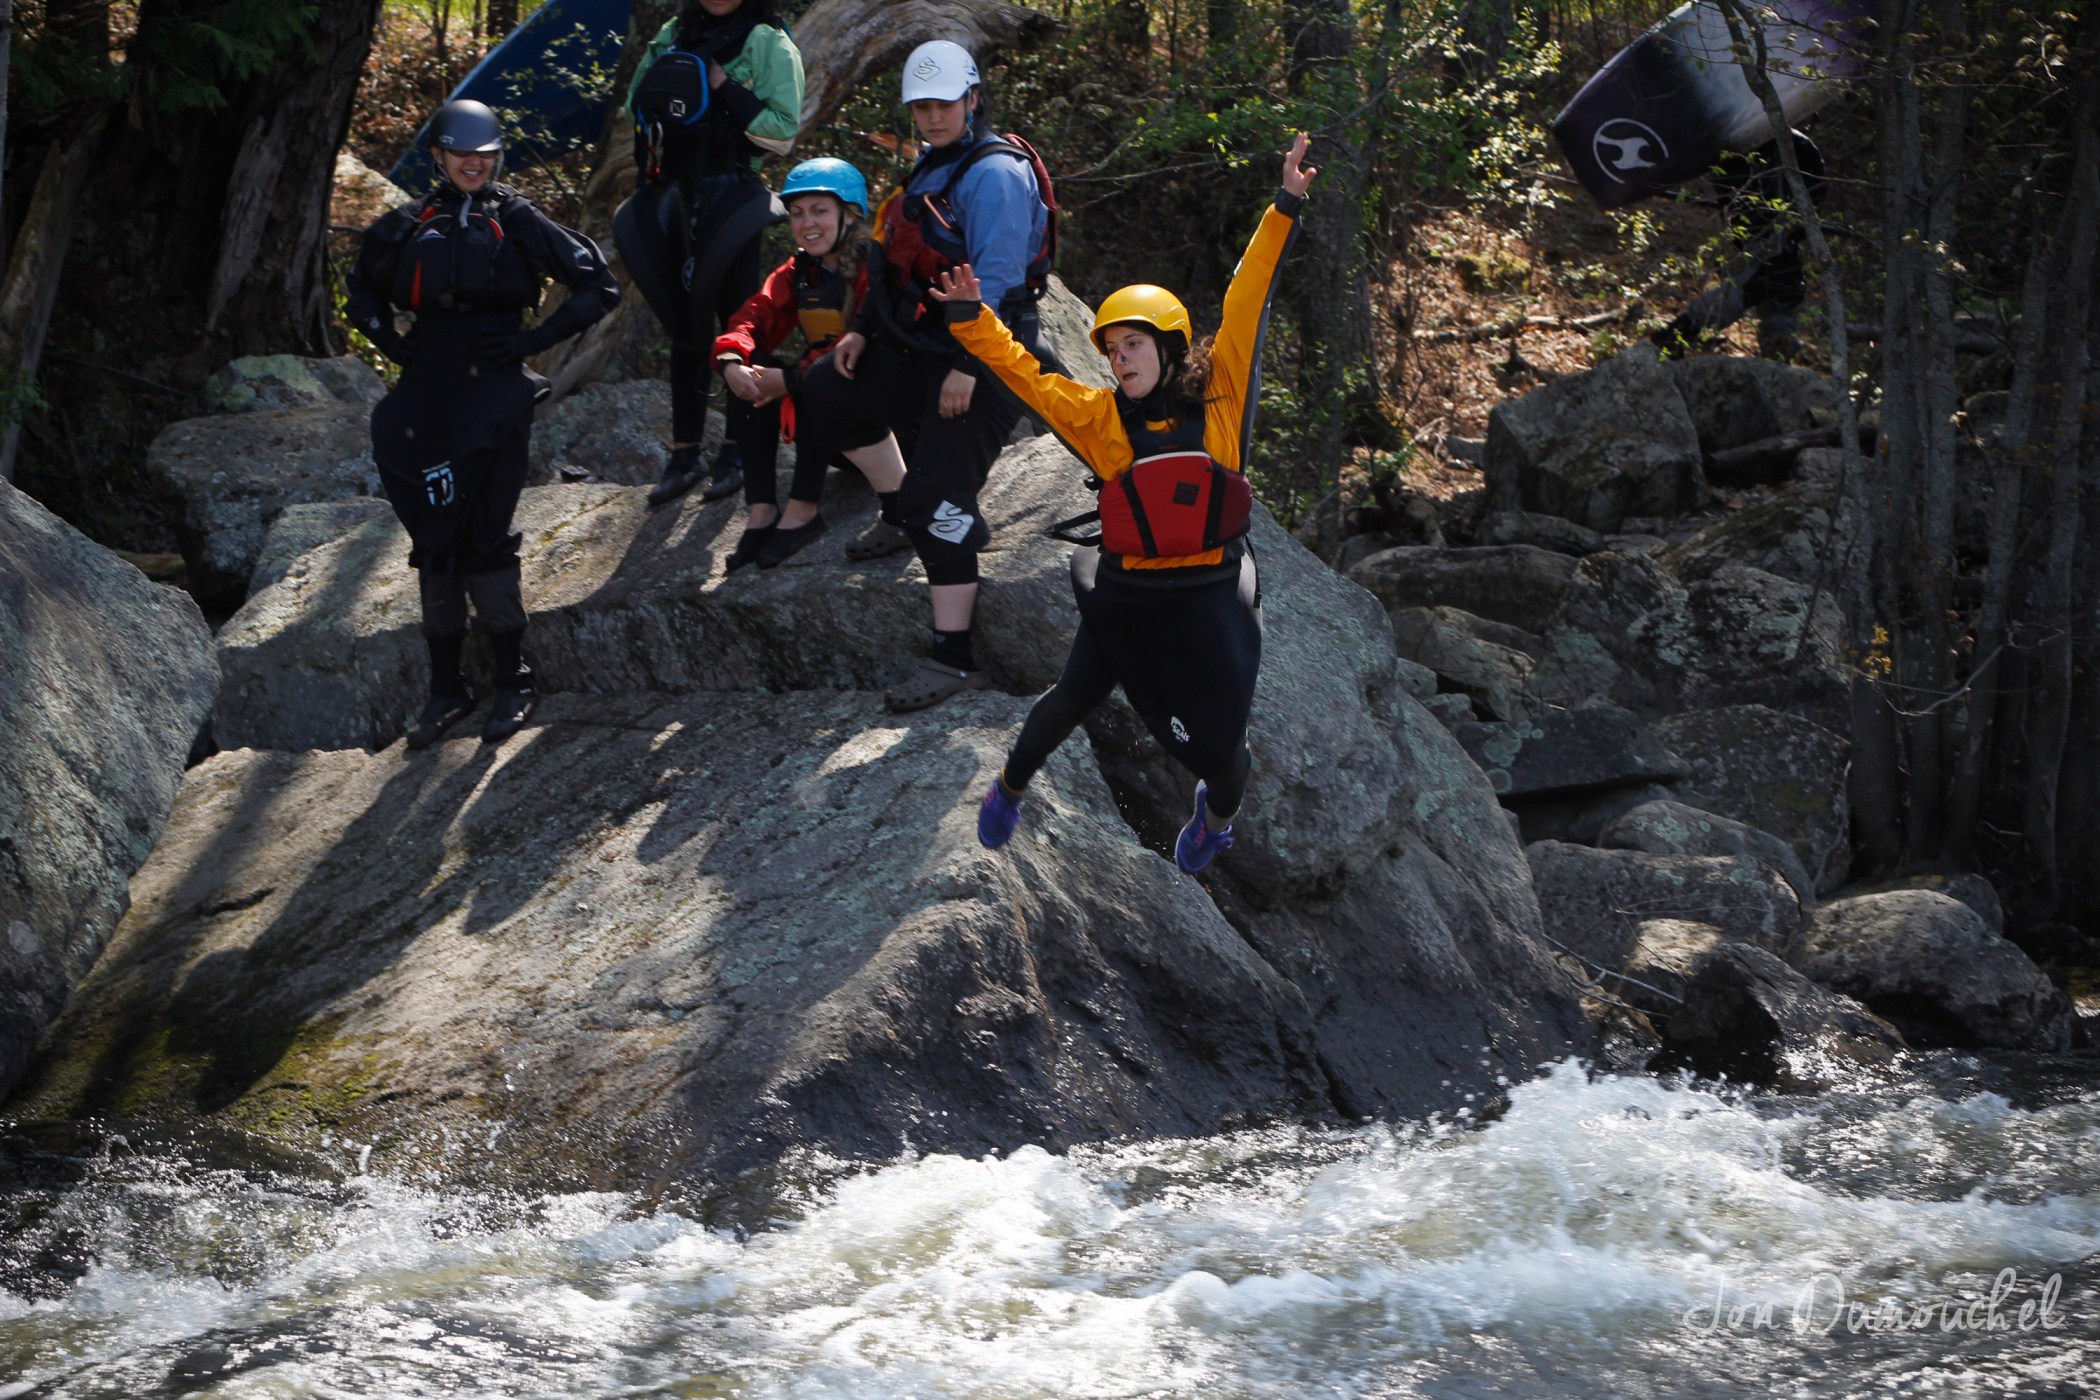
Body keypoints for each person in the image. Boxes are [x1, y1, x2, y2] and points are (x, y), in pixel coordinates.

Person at [930, 134, 1317, 874]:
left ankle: (1215, 820)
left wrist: (1285, 204)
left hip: (1208, 591)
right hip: (1130, 591)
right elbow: (1026, 376)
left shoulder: (1224, 399)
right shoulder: (1099, 419)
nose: (1120, 359)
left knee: (1225, 756)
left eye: (1134, 345)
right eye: (1111, 350)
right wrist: (974, 317)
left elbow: (1247, 295)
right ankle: (1008, 788)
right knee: (1070, 699)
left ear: (1169, 347)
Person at [348, 99, 621, 747]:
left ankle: (512, 677)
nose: (474, 163)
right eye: (461, 153)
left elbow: (597, 286)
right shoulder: (410, 224)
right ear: (439, 157)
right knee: (434, 531)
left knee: (487, 529)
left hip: (497, 385)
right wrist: (392, 342)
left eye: (485, 154)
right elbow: (362, 289)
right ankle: (446, 688)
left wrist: (537, 341)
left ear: (497, 157)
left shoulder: (517, 219)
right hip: (429, 384)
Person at [795, 39, 1054, 712]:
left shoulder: (994, 176)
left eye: (943, 104)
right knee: (824, 391)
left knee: (939, 501)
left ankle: (955, 660)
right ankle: (898, 509)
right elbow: (893, 261)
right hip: (916, 345)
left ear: (972, 100)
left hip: (984, 356)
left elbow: (994, 281)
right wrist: (859, 330)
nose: (932, 117)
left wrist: (970, 363)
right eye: (921, 107)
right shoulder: (932, 165)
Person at [615, 0, 804, 507]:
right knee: (685, 328)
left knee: (738, 321)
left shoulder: (769, 41)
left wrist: (721, 84)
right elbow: (637, 103)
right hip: (674, 195)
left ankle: (737, 451)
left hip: (734, 196)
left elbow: (781, 133)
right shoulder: (677, 31)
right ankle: (684, 455)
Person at [711, 157, 872, 570]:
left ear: (849, 214)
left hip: (885, 432)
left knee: (813, 379)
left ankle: (802, 510)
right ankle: (762, 510)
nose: (806, 224)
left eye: (819, 210)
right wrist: (732, 362)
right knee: (753, 365)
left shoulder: (877, 268)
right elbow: (754, 315)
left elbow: (869, 352)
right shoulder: (801, 271)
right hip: (836, 427)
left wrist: (791, 378)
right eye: (797, 214)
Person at [1652, 132, 1827, 362]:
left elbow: (1813, 189)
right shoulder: (1749, 146)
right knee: (1762, 284)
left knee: (1780, 288)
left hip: (1778, 231)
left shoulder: (1793, 146)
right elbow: (1730, 192)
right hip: (1761, 229)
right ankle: (1678, 332)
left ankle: (1778, 348)